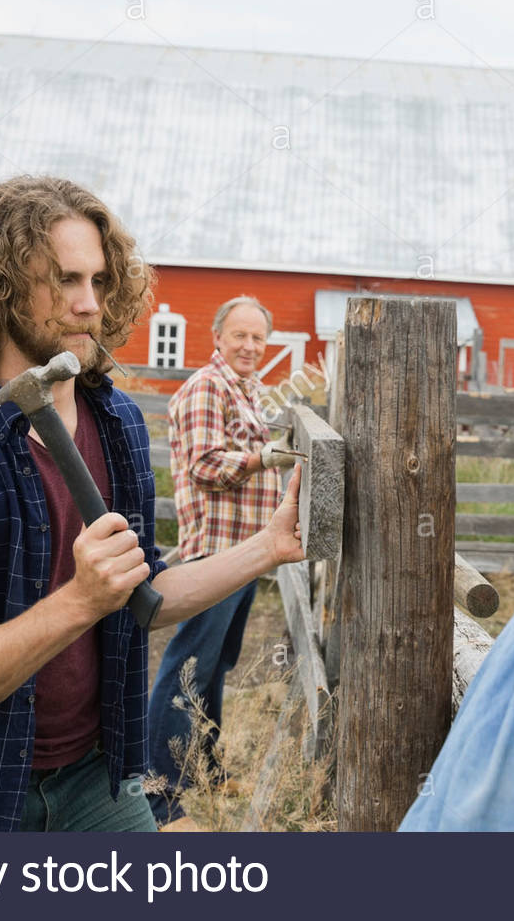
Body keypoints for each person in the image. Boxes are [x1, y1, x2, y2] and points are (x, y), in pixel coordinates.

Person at [0, 176, 302, 832]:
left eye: (99, 282)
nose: (89, 304)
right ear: (1, 286)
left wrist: (270, 545)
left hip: (96, 780)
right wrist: (79, 600)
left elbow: (142, 594)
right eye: (65, 281)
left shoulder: (117, 423)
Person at [147, 296, 296, 822]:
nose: (250, 346)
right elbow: (205, 464)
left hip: (245, 547)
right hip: (217, 547)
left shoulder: (246, 391)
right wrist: (263, 458)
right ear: (217, 337)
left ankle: (203, 766)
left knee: (214, 664)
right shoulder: (206, 387)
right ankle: (158, 790)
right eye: (240, 335)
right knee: (188, 662)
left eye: (259, 338)